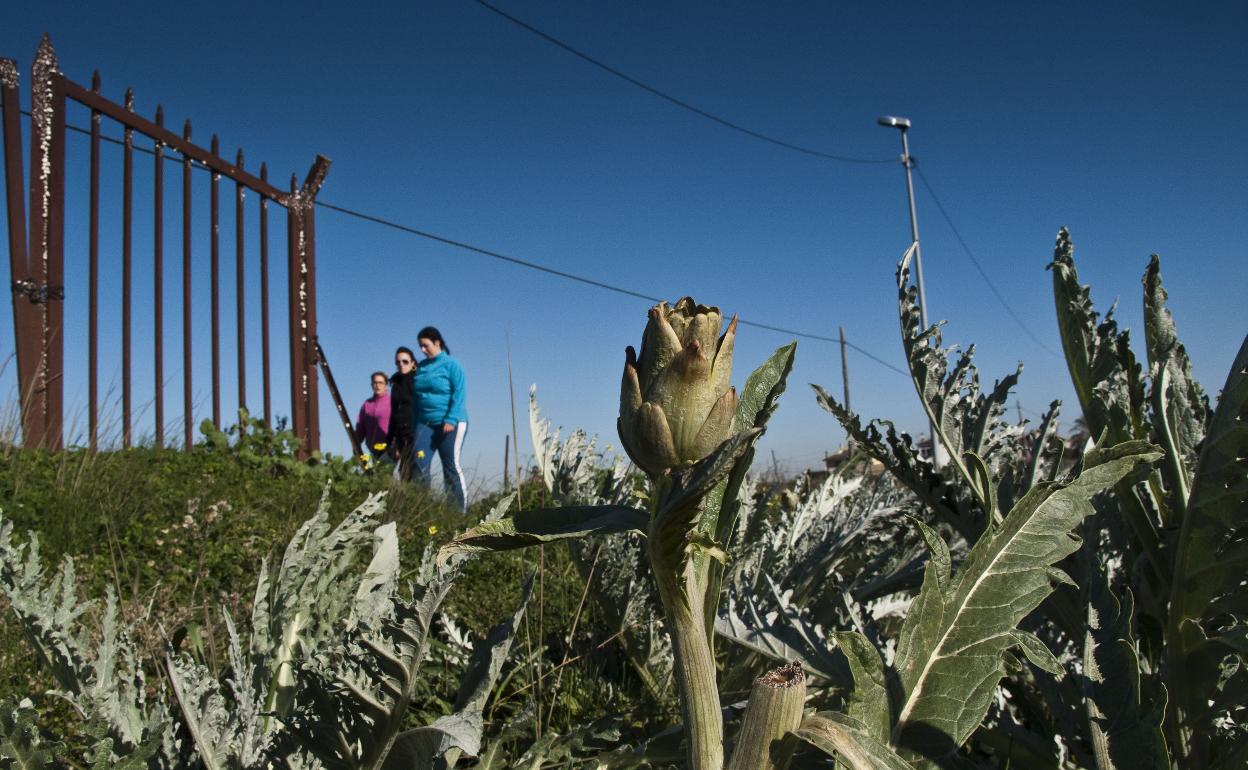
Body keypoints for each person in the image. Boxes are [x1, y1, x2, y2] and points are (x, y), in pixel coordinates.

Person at [411, 326, 468, 511]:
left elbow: (460, 393)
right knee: (420, 462)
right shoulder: (421, 367)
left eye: (425, 345)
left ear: (437, 343)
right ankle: (422, 509)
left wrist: (450, 419)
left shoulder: (452, 365)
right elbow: (417, 397)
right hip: (425, 423)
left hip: (450, 422)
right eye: (420, 346)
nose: (422, 350)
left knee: (449, 466)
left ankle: (458, 513)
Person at [386, 346, 419, 481]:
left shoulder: (419, 380)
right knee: (404, 471)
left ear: (413, 363)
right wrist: (389, 439)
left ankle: (424, 500)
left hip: (417, 431)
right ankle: (409, 501)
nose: (401, 364)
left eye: (405, 361)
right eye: (398, 362)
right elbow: (393, 412)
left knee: (418, 469)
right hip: (401, 432)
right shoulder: (396, 384)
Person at [355, 371, 391, 465]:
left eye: (380, 383)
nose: (377, 385)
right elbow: (360, 427)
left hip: (390, 449)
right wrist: (356, 444)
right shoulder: (366, 404)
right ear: (371, 385)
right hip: (373, 449)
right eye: (374, 383)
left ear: (386, 385)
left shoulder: (392, 402)